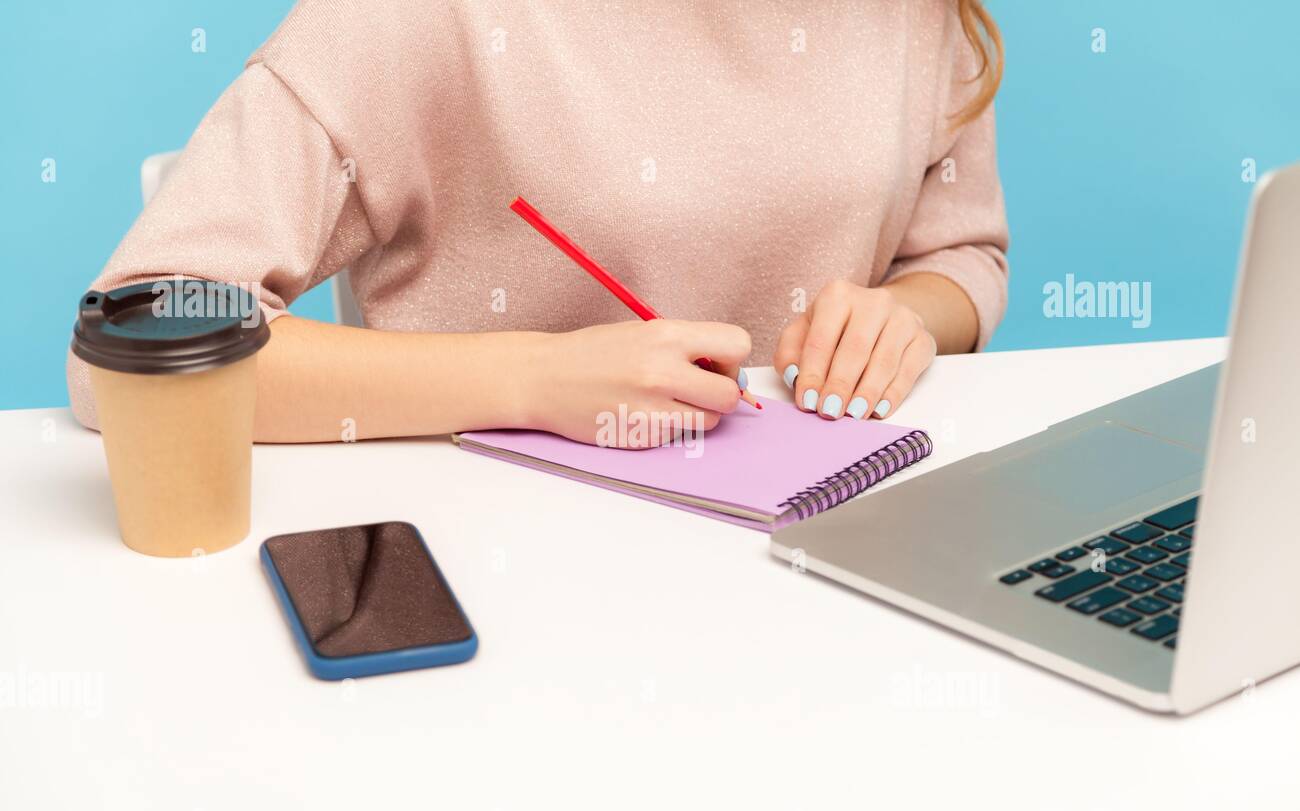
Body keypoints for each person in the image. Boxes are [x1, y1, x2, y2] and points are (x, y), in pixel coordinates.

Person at [68, 0, 1008, 445]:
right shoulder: (411, 20)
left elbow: (962, 254)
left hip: (823, 571)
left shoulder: (918, 15)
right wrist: (533, 377)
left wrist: (912, 318)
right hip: (507, 587)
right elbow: (120, 357)